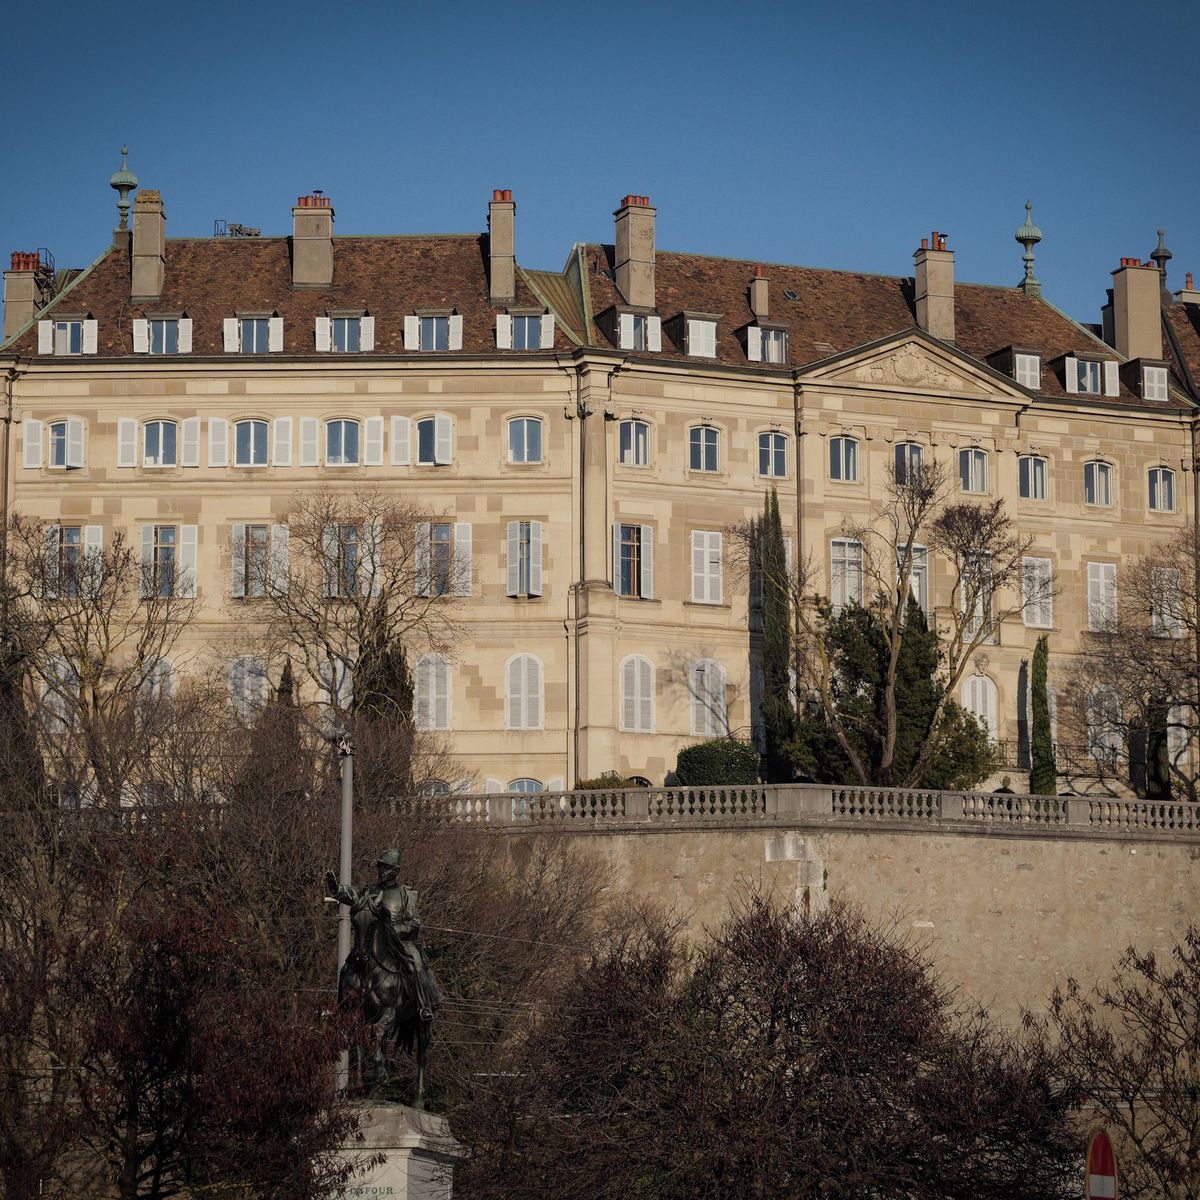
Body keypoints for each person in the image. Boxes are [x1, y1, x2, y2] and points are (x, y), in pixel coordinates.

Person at [326, 848, 440, 1022]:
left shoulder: (406, 894)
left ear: (395, 871)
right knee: (346, 968)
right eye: (380, 867)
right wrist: (337, 890)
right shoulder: (371, 892)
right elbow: (352, 895)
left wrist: (394, 930)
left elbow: (414, 923)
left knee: (416, 964)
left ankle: (424, 1005)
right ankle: (340, 1008)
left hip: (400, 943)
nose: (381, 871)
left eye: (385, 868)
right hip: (374, 942)